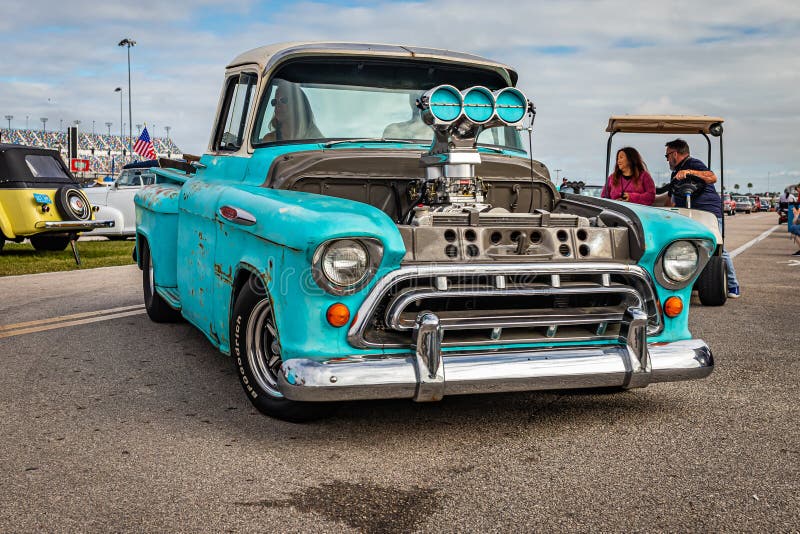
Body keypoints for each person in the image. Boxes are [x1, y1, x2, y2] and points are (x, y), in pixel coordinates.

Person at [664, 139, 741, 298]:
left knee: (715, 247)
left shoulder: (693, 163)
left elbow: (712, 177)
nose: (666, 160)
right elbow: (670, 198)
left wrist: (691, 172)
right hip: (685, 213)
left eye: (667, 156)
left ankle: (732, 285)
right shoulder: (675, 174)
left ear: (675, 154)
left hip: (707, 213)